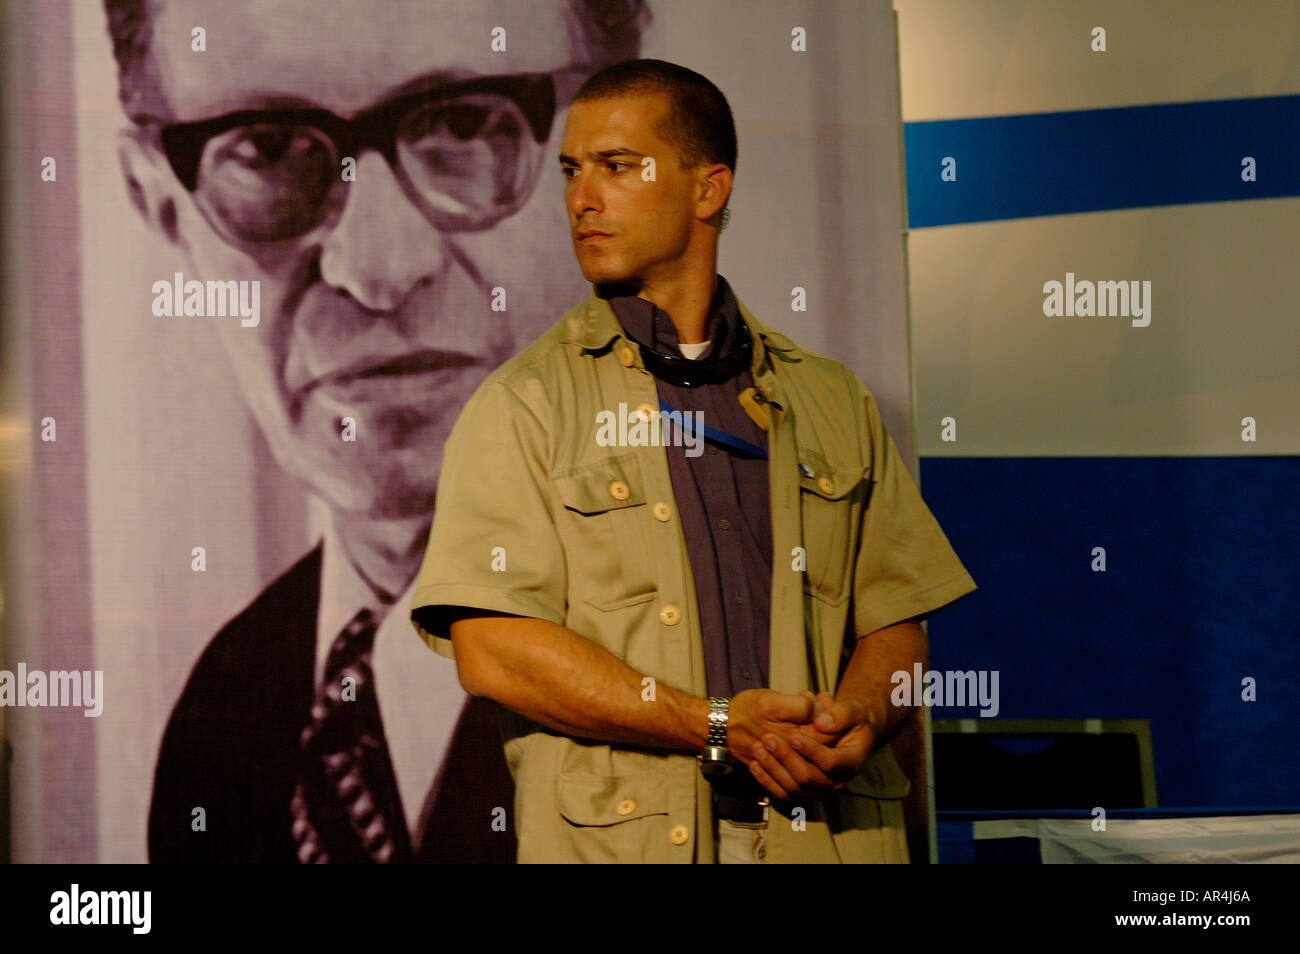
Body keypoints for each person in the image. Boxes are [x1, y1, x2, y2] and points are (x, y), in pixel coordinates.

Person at [103, 0, 647, 862]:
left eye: (466, 126)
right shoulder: (227, 712)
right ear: (161, 203)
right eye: (269, 149)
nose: (379, 268)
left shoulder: (792, 663)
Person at [410, 59, 978, 863]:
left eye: (617, 166)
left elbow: (896, 619)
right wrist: (716, 724)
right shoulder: (524, 404)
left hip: (832, 842)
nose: (582, 198)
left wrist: (855, 722)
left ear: (708, 189)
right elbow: (493, 649)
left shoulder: (832, 398)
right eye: (571, 171)